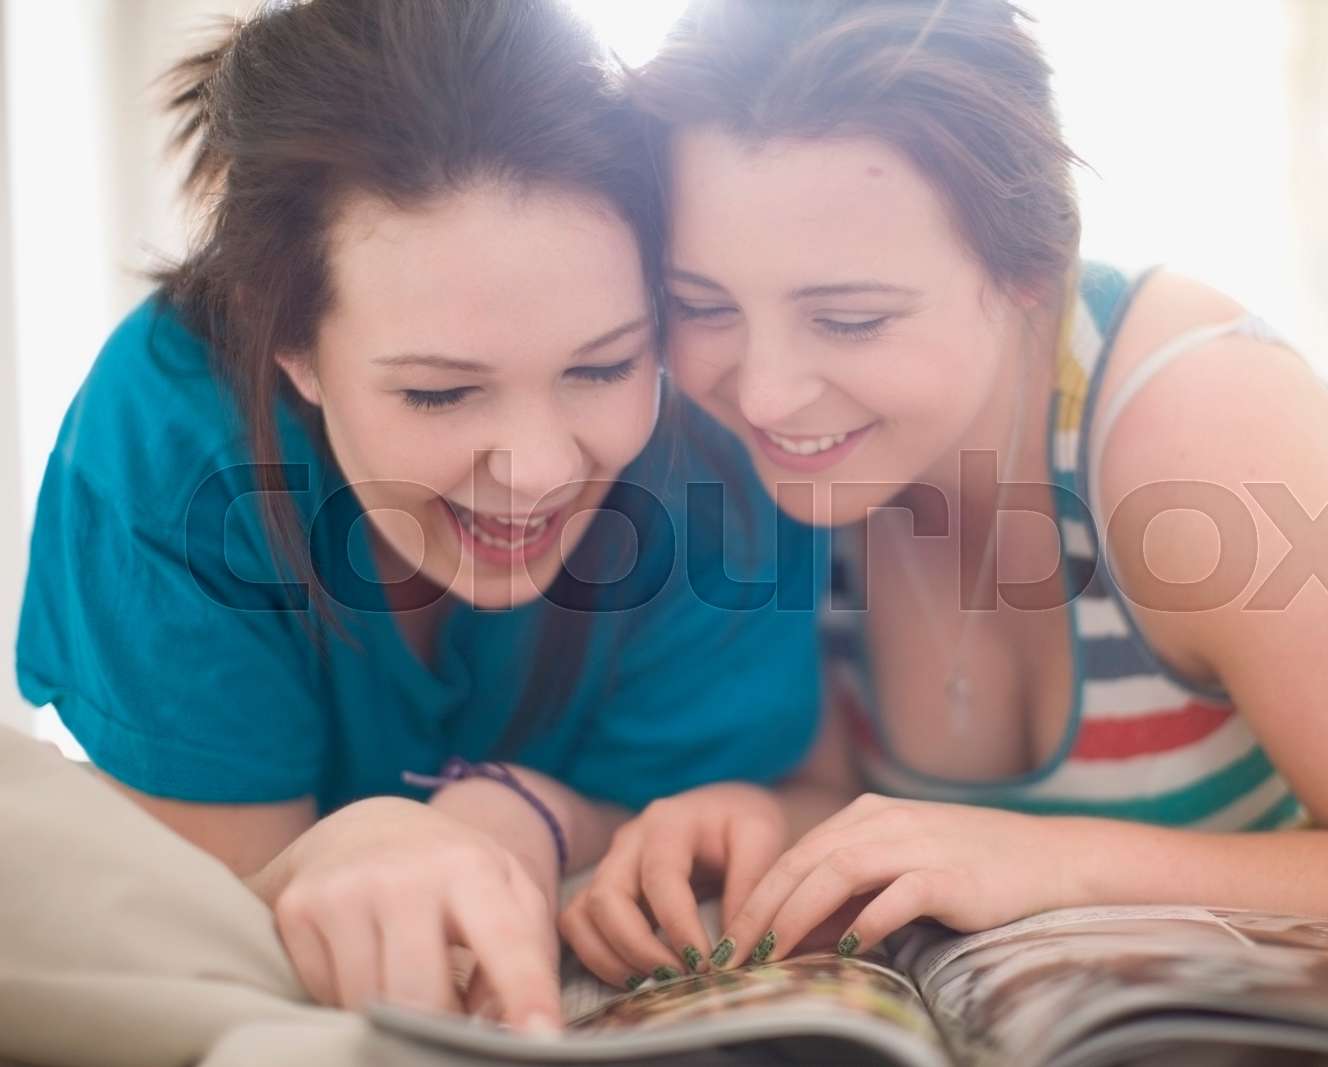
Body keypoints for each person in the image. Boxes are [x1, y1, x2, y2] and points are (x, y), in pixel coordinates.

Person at [560, 0, 1328, 988]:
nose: (765, 390)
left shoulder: (1196, 429)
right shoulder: (742, 439)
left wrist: (1052, 860)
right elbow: (862, 797)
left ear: (1027, 270)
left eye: (853, 320)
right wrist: (762, 814)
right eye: (702, 305)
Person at [14, 0, 823, 1030]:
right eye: (439, 393)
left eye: (604, 364)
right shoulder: (175, 432)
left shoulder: (713, 444)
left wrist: (532, 812)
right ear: (290, 347)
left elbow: (709, 817)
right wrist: (342, 850)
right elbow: (214, 909)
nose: (535, 469)